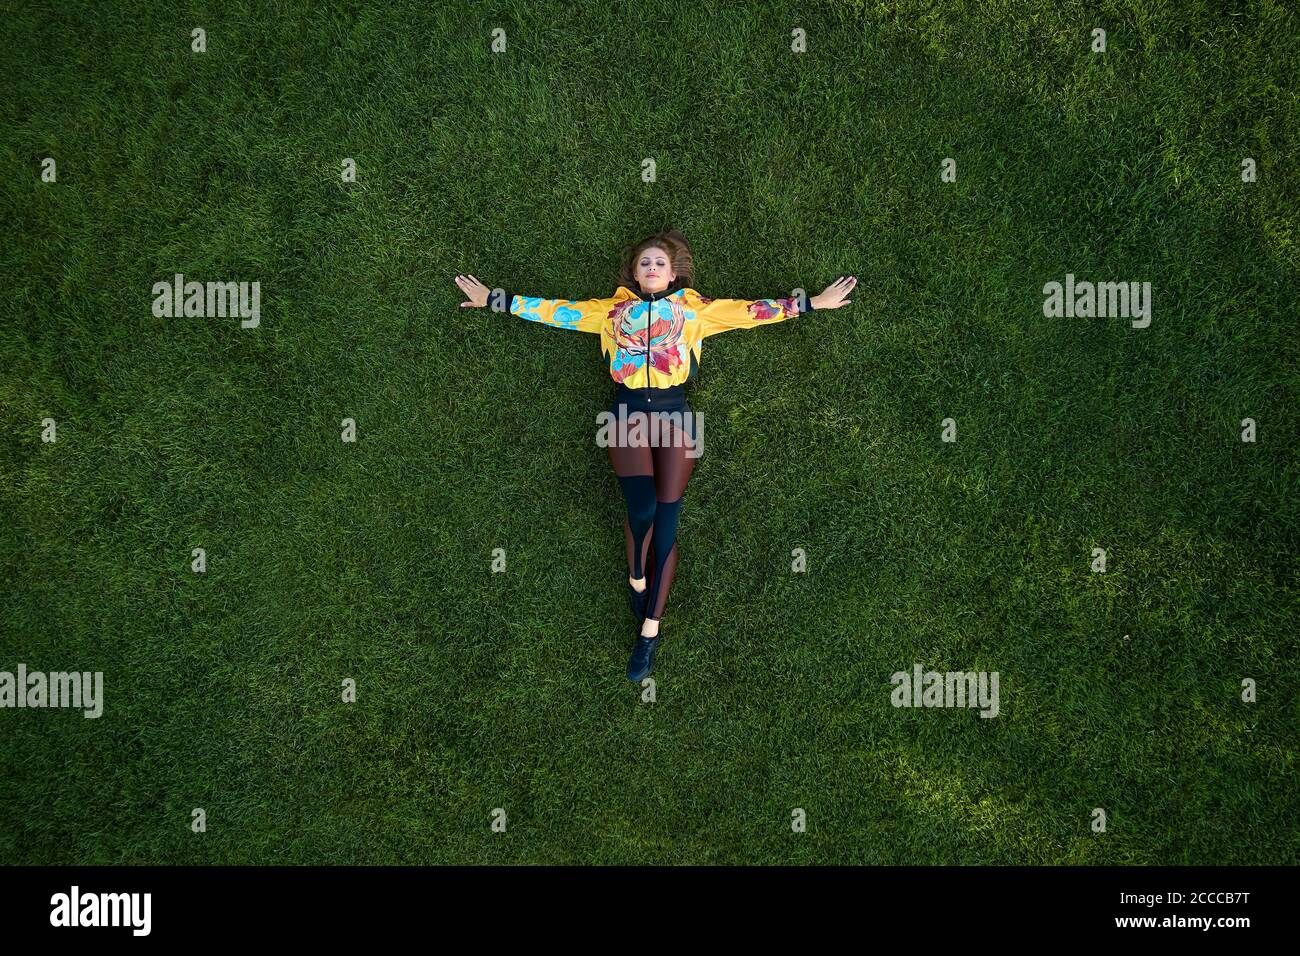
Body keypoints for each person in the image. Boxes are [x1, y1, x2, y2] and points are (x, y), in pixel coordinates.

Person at [454, 229, 856, 681]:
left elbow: (751, 313)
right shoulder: (609, 312)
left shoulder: (694, 312)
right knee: (641, 508)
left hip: (677, 419)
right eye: (644, 263)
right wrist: (496, 299)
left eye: (659, 264)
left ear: (672, 273)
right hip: (625, 415)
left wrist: (811, 303)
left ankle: (649, 631)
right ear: (633, 272)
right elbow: (554, 312)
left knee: (668, 518)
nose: (651, 269)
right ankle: (636, 579)